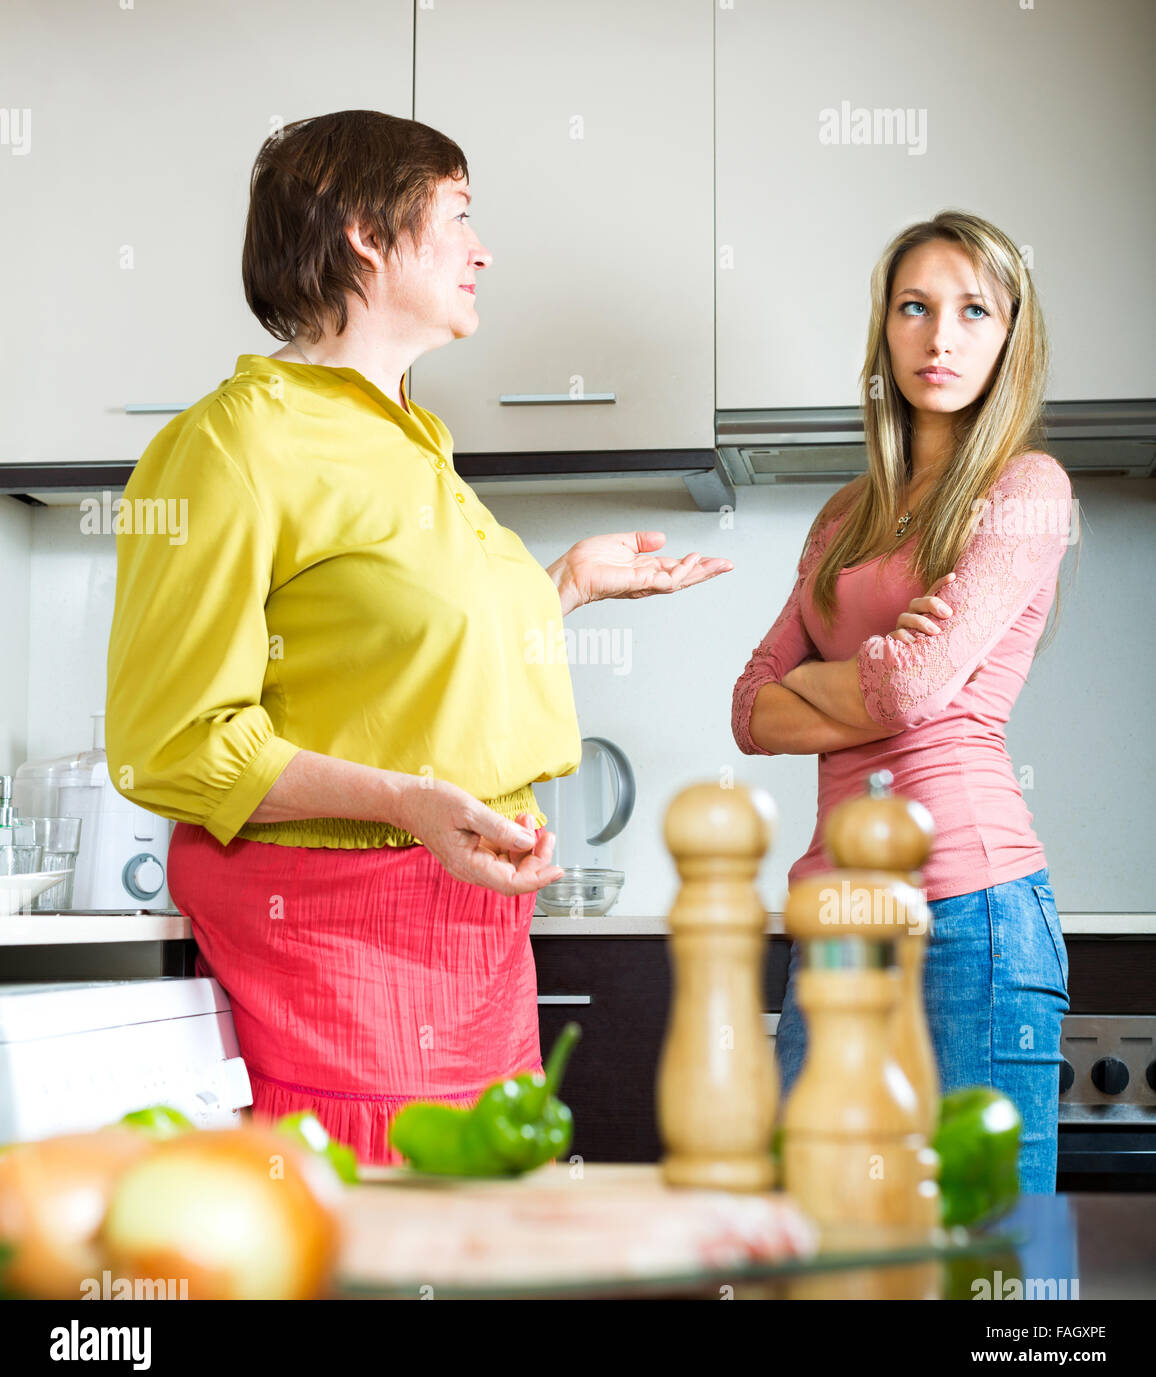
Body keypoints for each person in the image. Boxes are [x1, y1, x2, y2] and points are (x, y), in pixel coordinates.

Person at [105, 109, 730, 1164]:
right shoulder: (234, 441)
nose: (482, 249)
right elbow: (170, 740)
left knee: (480, 1236)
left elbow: (400, 662)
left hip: (476, 932)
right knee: (381, 1234)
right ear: (363, 231)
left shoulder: (415, 441)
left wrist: (562, 588)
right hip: (342, 936)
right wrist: (405, 801)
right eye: (457, 217)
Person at [731, 209, 1078, 1193]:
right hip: (835, 909)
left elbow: (911, 681)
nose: (940, 336)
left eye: (974, 310)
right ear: (883, 330)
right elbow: (748, 708)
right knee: (818, 1222)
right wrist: (883, 690)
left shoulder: (1026, 489)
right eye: (914, 307)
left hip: (969, 906)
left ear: (1011, 336)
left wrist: (844, 687)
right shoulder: (843, 517)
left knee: (983, 1249)